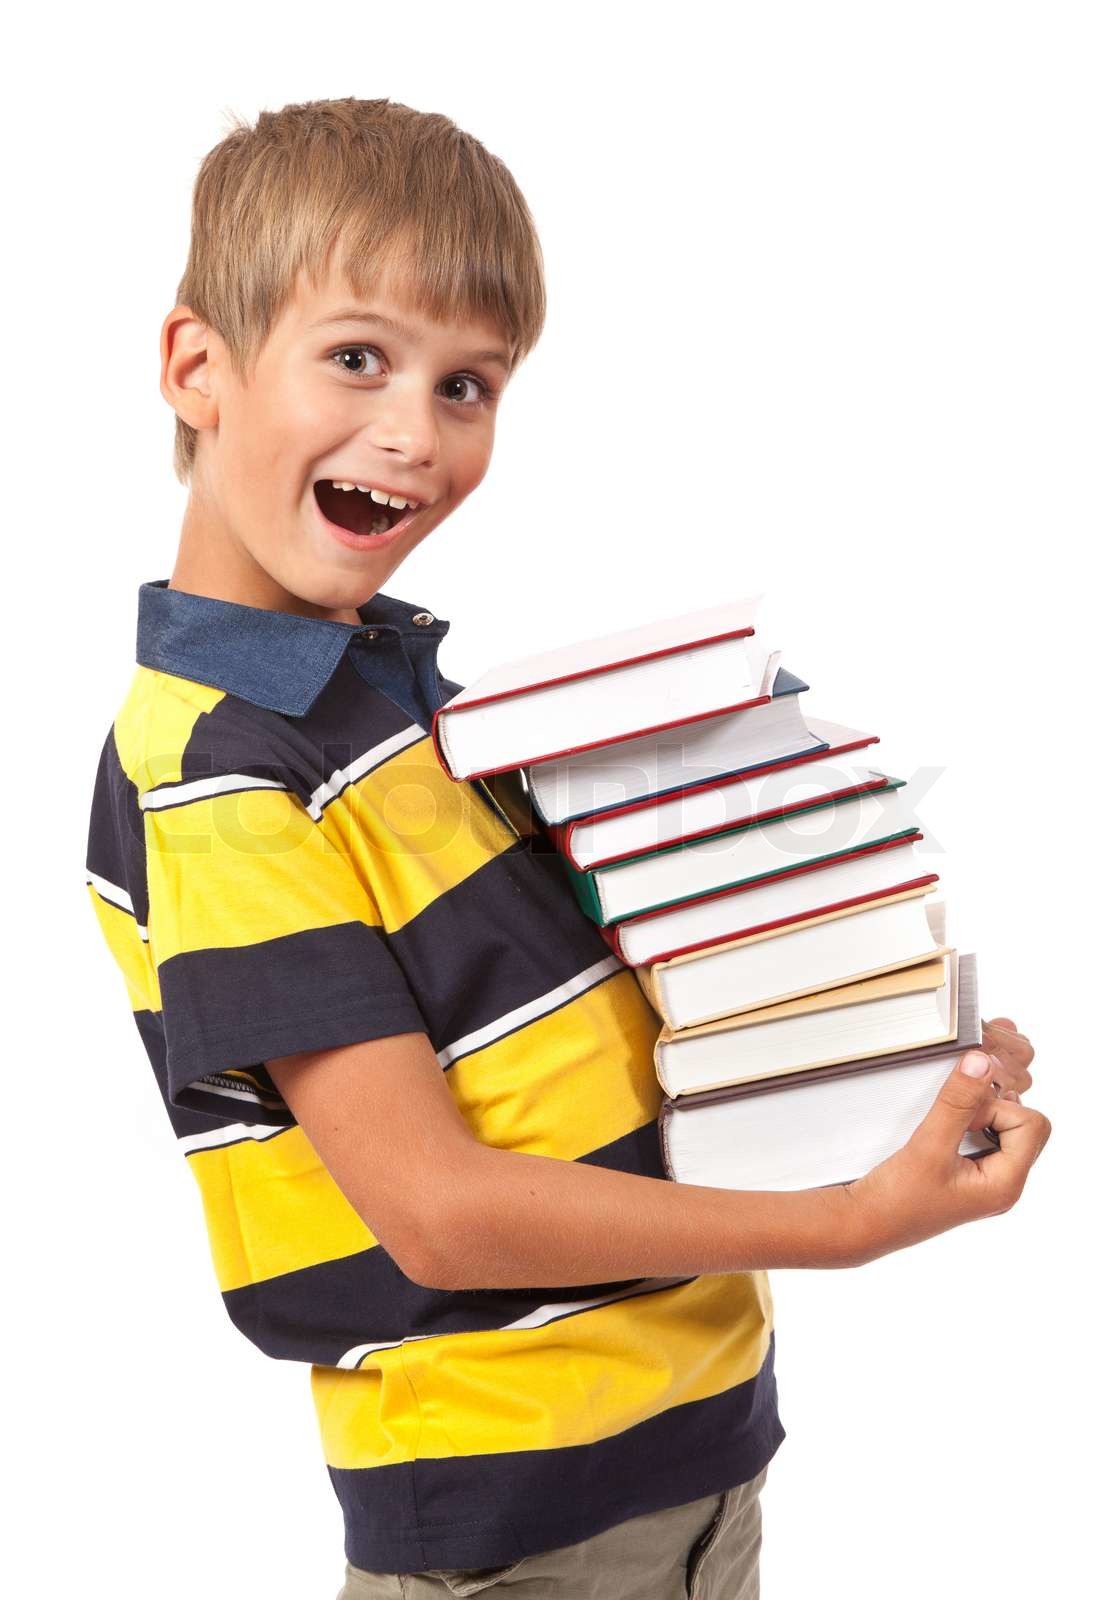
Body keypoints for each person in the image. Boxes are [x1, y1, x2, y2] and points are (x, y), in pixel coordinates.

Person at [83, 96, 1050, 1600]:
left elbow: (583, 1054)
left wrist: (880, 1070)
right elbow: (438, 1213)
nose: (414, 432)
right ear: (197, 368)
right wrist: (846, 1223)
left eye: (466, 384)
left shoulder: (402, 702)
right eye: (359, 357)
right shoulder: (220, 773)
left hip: (694, 1453)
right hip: (511, 1528)